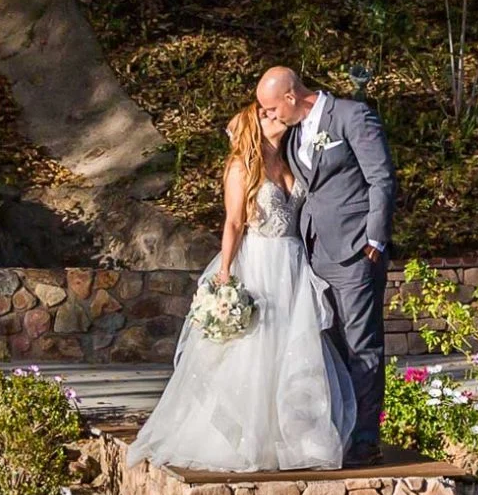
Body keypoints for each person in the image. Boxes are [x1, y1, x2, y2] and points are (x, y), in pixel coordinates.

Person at [128, 99, 357, 472]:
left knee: (293, 352)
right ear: (255, 124)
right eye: (265, 114)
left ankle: (295, 439)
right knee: (254, 351)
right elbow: (233, 223)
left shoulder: (293, 160)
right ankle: (246, 440)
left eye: (274, 111)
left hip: (294, 264)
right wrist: (225, 273)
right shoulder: (241, 167)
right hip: (260, 263)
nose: (274, 116)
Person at [256, 65, 396, 465]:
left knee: (361, 345)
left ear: (290, 96)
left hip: (355, 250)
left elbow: (381, 178)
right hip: (314, 251)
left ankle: (364, 442)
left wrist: (375, 239)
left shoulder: (353, 116)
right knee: (330, 348)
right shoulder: (294, 131)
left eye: (272, 108)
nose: (271, 116)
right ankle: (337, 434)